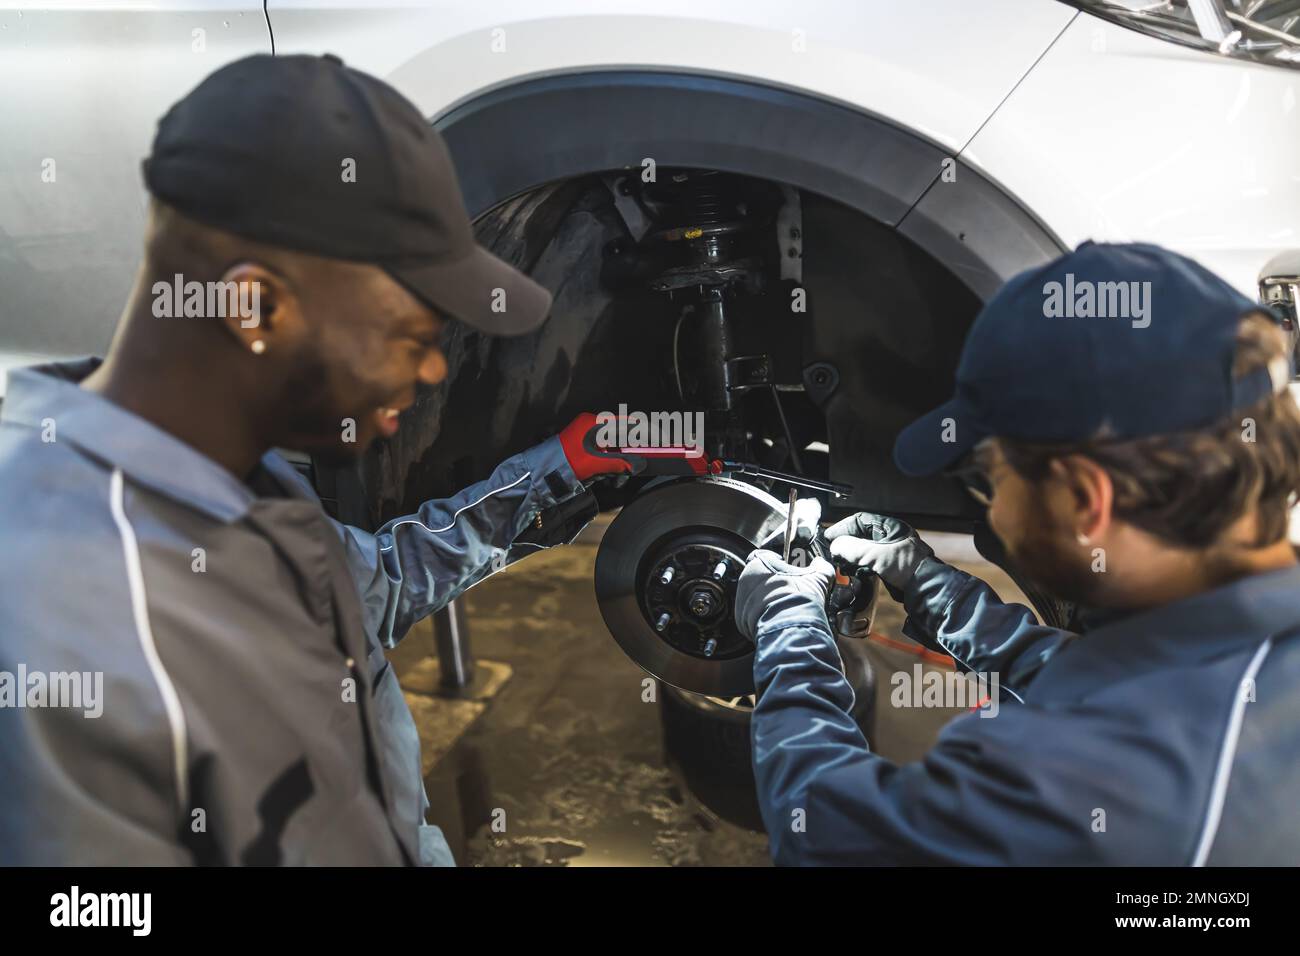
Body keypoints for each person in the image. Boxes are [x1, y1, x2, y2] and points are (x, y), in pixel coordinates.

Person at [0, 54, 625, 865]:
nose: (436, 371)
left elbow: (378, 586)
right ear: (256, 307)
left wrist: (566, 466)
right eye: (411, 333)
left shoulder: (251, 490)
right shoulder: (58, 623)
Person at [734, 242, 1300, 865]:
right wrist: (928, 582)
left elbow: (825, 836)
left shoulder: (1076, 776)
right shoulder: (1240, 656)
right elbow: (1101, 679)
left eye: (990, 483)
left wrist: (787, 628)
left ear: (1087, 500)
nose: (994, 512)